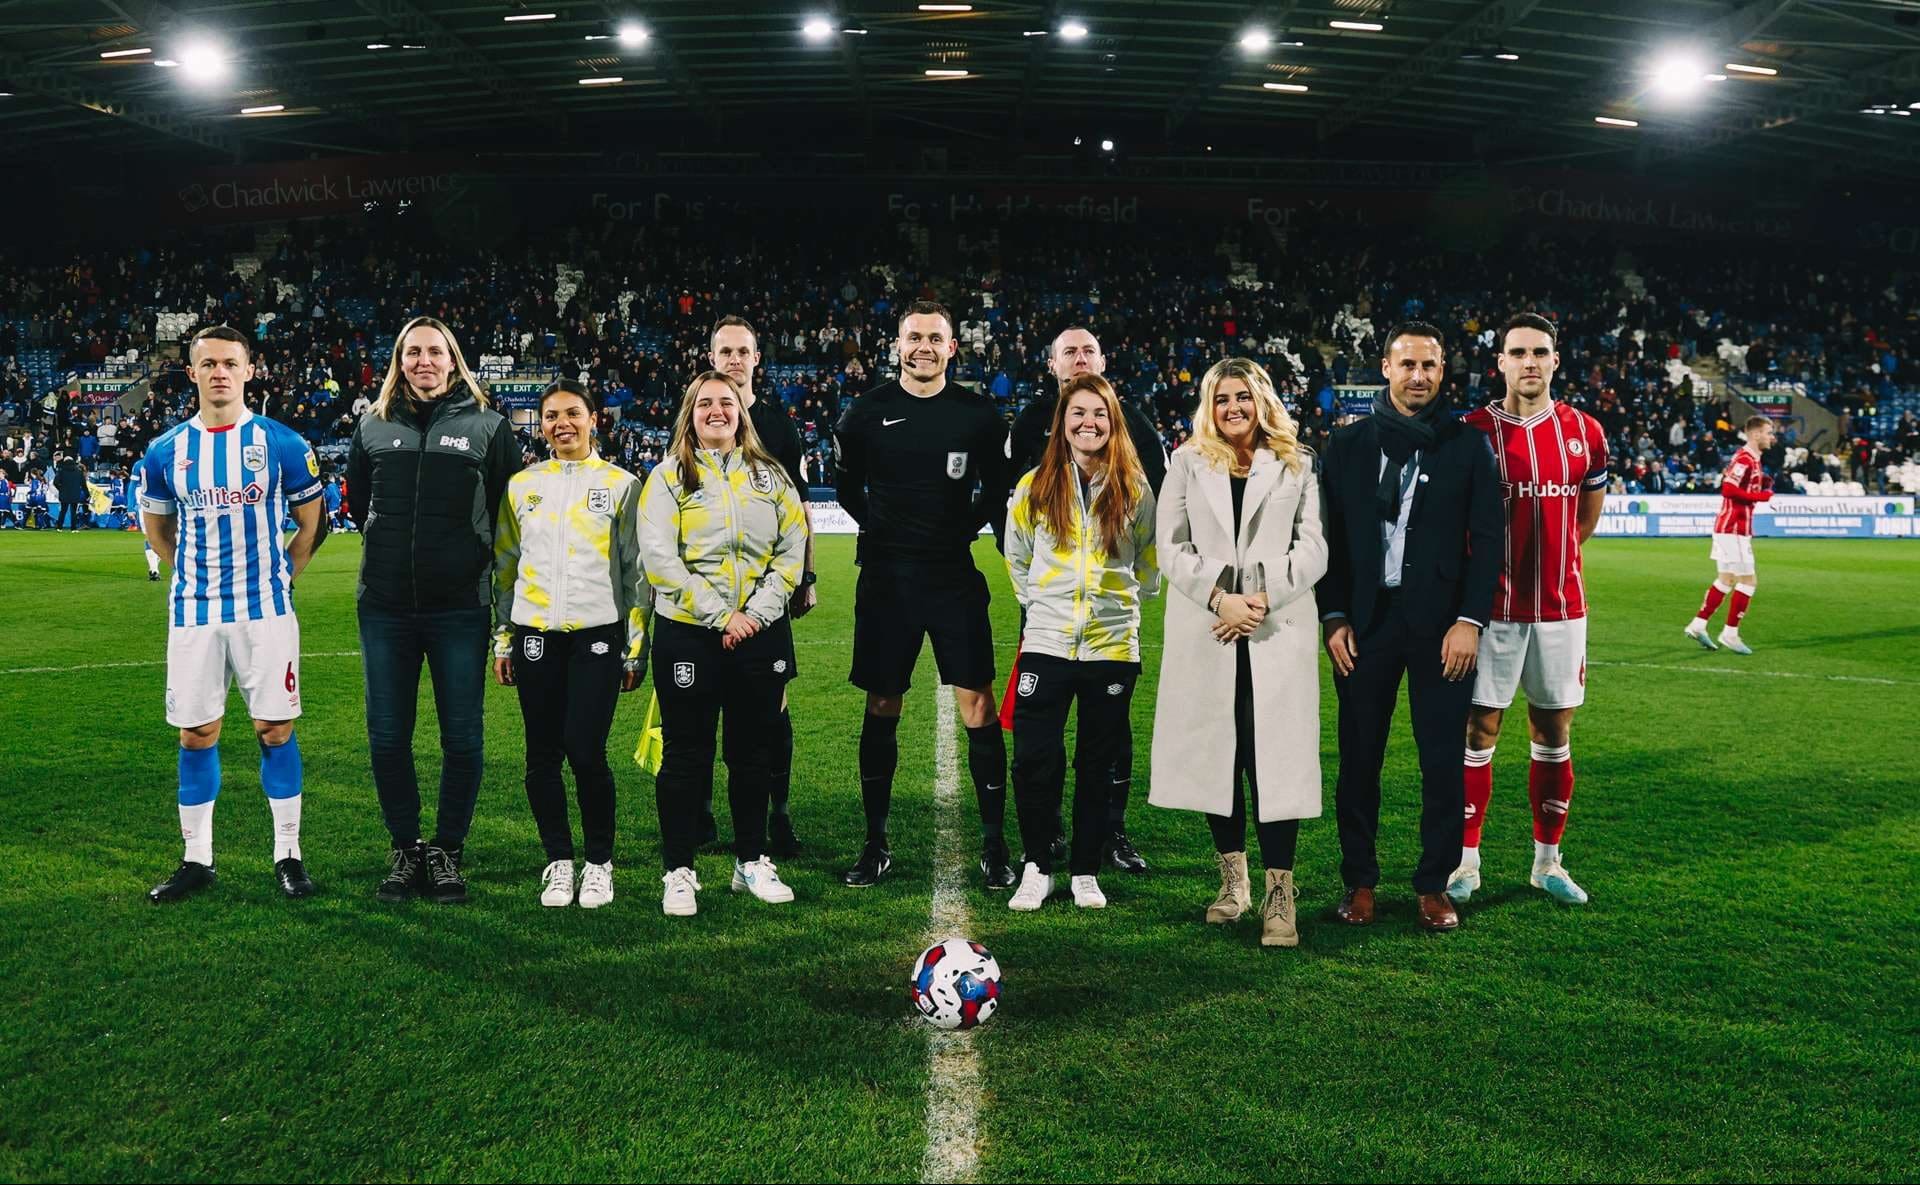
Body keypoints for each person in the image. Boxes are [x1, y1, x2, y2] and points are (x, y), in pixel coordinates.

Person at [1317, 322, 1502, 934]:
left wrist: (1470, 621)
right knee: (1358, 759)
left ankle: (1433, 885)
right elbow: (1328, 542)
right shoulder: (1347, 445)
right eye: (1407, 364)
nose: (1418, 376)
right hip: (1364, 625)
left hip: (1443, 628)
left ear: (1442, 371)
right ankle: (1359, 880)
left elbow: (1489, 541)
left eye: (1429, 366)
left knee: (1442, 760)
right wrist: (1334, 616)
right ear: (1386, 368)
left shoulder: (1468, 445)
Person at [137, 325, 329, 903]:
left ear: (249, 371)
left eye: (229, 363)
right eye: (208, 364)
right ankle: (197, 859)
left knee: (275, 728)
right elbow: (157, 528)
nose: (219, 372)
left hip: (265, 610)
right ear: (191, 373)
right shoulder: (165, 451)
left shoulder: (282, 443)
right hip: (194, 612)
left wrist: (282, 576)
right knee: (196, 733)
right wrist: (190, 572)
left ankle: (289, 855)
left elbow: (312, 523)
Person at [833, 300, 1016, 890]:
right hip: (886, 581)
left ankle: (994, 844)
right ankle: (874, 842)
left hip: (953, 577)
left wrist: (960, 529)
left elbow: (997, 491)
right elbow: (846, 488)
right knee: (882, 703)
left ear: (952, 347)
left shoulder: (978, 416)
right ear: (898, 344)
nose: (924, 348)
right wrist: (882, 529)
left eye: (935, 339)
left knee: (978, 704)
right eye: (914, 337)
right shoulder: (865, 412)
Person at [1149, 358, 1327, 947]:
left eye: (1243, 397)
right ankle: (1234, 882)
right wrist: (1219, 598)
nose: (1233, 408)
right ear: (1210, 405)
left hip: (1276, 629)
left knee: (1274, 759)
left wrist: (1261, 596)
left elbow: (1314, 549)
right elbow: (1170, 547)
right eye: (1222, 398)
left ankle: (1280, 893)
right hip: (1212, 630)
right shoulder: (1186, 461)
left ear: (1261, 401)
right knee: (1217, 757)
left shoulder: (1297, 462)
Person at [346, 315, 521, 904]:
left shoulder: (489, 426)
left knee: (463, 740)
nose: (424, 361)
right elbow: (361, 503)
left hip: (460, 609)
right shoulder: (372, 424)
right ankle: (405, 848)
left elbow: (507, 514)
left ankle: (447, 850)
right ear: (400, 361)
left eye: (435, 352)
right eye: (413, 352)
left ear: (453, 360)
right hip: (385, 607)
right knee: (387, 738)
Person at [1452, 313, 1610, 909]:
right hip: (1490, 609)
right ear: (1500, 362)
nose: (1529, 362)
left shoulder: (1586, 431)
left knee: (1553, 731)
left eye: (1539, 352)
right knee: (1479, 729)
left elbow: (1585, 520)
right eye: (1517, 352)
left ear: (1555, 359)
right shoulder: (1471, 432)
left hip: (1562, 609)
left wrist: (1555, 561)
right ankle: (1466, 864)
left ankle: (1548, 863)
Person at [638, 371, 808, 917]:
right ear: (690, 414)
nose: (717, 411)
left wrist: (753, 615)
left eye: (726, 402)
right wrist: (721, 615)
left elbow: (791, 551)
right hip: (690, 632)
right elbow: (660, 561)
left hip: (757, 631)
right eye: (705, 403)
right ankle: (679, 871)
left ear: (741, 412)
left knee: (753, 752)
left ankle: (750, 861)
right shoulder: (667, 477)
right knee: (685, 753)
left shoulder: (771, 476)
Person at [1002, 325, 1169, 875]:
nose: (1079, 358)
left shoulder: (1137, 430)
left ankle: (1109, 834)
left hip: (1109, 627)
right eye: (1068, 351)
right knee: (1039, 741)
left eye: (1088, 350)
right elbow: (1015, 538)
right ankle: (1045, 836)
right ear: (1052, 364)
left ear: (1103, 360)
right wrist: (1038, 596)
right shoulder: (1030, 429)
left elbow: (1152, 538)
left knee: (1108, 741)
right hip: (1048, 617)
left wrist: (1125, 597)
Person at [492, 380, 649, 909]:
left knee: (585, 750)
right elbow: (506, 568)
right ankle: (559, 861)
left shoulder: (623, 485)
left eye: (573, 414)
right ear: (541, 425)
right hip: (535, 635)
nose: (562, 424)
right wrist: (504, 639)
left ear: (593, 419)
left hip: (597, 635)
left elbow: (635, 570)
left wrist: (635, 645)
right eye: (552, 416)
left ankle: (599, 864)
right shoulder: (521, 486)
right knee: (541, 755)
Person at [707, 315, 816, 857]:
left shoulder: (778, 426)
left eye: (742, 351)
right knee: (700, 706)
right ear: (712, 358)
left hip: (767, 592)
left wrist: (806, 576)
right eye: (725, 351)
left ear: (756, 359)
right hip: (706, 596)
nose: (734, 359)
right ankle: (699, 815)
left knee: (772, 705)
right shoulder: (695, 418)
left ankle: (779, 814)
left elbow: (799, 510)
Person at [1684, 416, 1776, 656]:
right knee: (1749, 581)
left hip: (1730, 528)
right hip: (1733, 528)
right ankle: (1730, 633)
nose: (1771, 437)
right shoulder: (1745, 458)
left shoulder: (1752, 459)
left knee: (1726, 579)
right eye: (1768, 432)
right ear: (1755, 434)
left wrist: (1760, 486)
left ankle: (1698, 625)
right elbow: (1728, 488)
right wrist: (1760, 497)